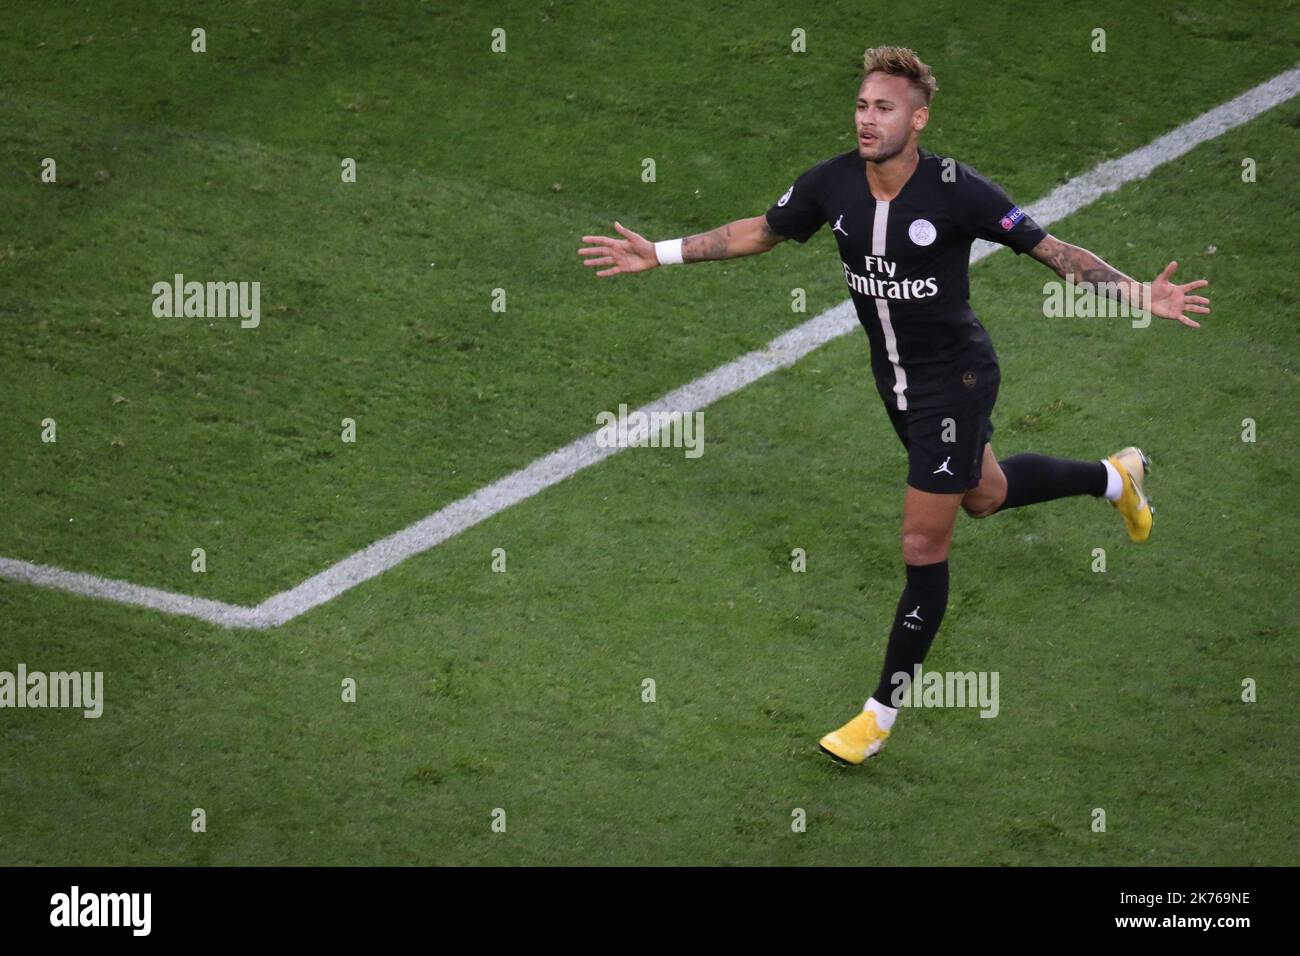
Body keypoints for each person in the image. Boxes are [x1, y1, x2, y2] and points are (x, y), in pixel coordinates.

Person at [577, 45, 1210, 765]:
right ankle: (1114, 478)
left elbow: (1053, 250)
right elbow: (761, 231)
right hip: (899, 385)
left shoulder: (957, 191)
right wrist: (657, 254)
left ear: (919, 118)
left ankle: (878, 716)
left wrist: (1137, 293)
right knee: (984, 495)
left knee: (921, 544)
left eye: (884, 108)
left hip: (957, 383)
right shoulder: (832, 183)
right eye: (861, 106)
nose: (867, 120)